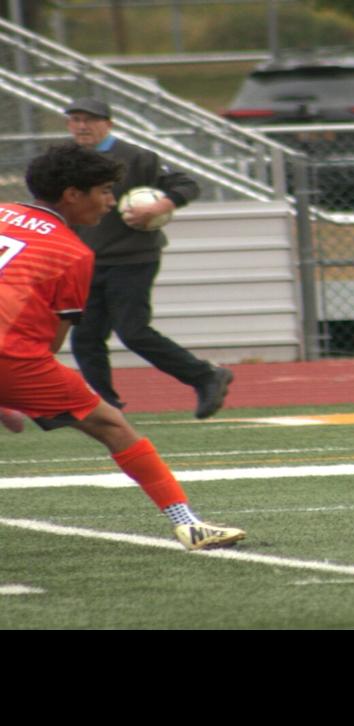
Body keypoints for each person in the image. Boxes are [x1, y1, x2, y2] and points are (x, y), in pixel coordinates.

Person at [0, 142, 245, 551]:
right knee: (112, 424)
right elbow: (52, 341)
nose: (111, 202)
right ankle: (188, 524)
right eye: (104, 191)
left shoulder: (3, 211)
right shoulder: (72, 252)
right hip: (13, 358)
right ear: (72, 195)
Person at [63, 96, 233, 420]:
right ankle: (104, 406)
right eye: (75, 120)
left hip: (132, 258)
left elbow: (186, 184)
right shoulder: (66, 160)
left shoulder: (135, 157)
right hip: (84, 260)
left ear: (108, 124)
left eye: (90, 119)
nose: (82, 126)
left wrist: (160, 206)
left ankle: (205, 376)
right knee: (86, 337)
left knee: (134, 331)